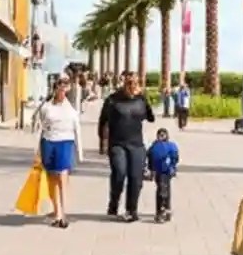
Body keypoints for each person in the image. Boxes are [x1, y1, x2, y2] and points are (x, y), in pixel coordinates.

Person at [98, 71, 156, 222]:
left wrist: (145, 99)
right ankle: (114, 202)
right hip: (117, 144)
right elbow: (103, 121)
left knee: (136, 178)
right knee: (119, 173)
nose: (132, 86)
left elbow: (150, 118)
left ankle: (132, 210)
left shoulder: (141, 99)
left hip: (136, 144)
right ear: (124, 83)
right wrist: (103, 143)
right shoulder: (113, 100)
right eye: (129, 83)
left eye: (135, 83)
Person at [34, 78, 84, 228]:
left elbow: (77, 130)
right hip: (49, 142)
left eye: (65, 89)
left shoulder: (71, 109)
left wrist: (79, 152)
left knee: (62, 176)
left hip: (65, 142)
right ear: (55, 89)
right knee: (52, 178)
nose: (62, 92)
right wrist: (36, 150)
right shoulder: (46, 107)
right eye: (59, 88)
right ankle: (57, 212)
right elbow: (40, 125)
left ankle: (63, 213)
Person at [147, 128, 180, 223]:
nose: (161, 137)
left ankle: (165, 208)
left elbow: (175, 158)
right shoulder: (154, 147)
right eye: (159, 135)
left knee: (165, 189)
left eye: (163, 135)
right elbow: (150, 158)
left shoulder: (171, 146)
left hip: (167, 171)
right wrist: (151, 170)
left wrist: (173, 167)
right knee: (162, 189)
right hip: (159, 171)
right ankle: (161, 210)